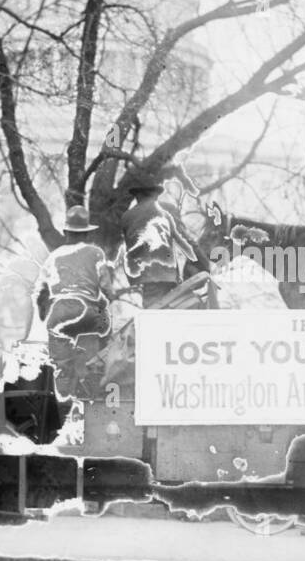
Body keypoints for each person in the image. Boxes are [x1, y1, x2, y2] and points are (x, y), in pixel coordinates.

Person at [35, 205, 114, 401]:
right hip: (90, 313)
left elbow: (40, 293)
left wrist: (43, 316)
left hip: (63, 313)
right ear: (87, 233)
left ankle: (65, 391)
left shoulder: (53, 257)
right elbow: (106, 288)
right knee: (95, 347)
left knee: (60, 351)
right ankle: (93, 380)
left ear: (66, 232)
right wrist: (107, 303)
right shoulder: (96, 253)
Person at [120, 170, 215, 308]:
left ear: (137, 195)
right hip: (164, 274)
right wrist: (205, 263)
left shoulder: (127, 216)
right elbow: (186, 240)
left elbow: (130, 250)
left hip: (140, 277)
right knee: (161, 313)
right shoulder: (166, 210)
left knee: (158, 309)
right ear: (155, 193)